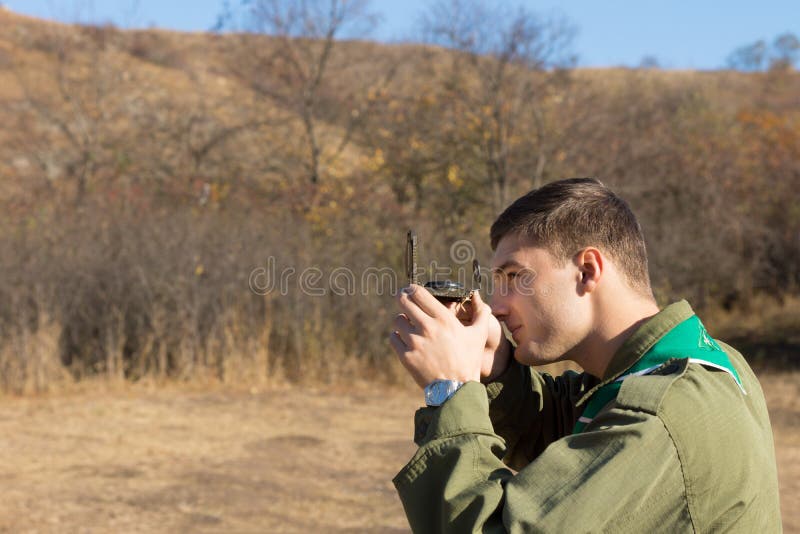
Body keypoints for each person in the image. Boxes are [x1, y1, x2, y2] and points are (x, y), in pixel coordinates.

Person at [389, 178, 781, 532]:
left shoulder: (659, 418)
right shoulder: (696, 364)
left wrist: (450, 391)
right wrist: (497, 368)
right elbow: (578, 430)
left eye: (513, 278)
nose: (498, 306)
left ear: (588, 271)